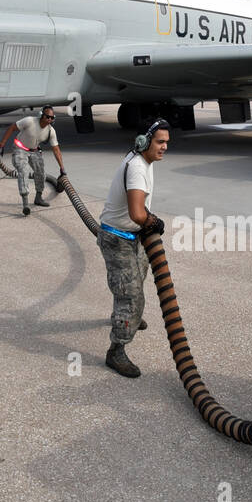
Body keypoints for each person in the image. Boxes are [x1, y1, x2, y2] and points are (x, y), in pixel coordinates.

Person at [97, 119, 169, 377]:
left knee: (135, 279)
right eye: (160, 142)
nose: (164, 147)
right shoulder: (137, 167)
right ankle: (116, 351)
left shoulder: (144, 161)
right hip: (117, 238)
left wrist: (146, 222)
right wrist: (154, 222)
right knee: (131, 294)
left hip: (132, 236)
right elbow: (138, 213)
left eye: (166, 143)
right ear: (145, 142)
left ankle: (127, 316)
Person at [0, 106, 64, 215]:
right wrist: (1, 145)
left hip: (34, 151)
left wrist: (62, 168)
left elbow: (56, 149)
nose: (49, 119)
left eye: (52, 118)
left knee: (41, 173)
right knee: (23, 171)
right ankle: (25, 204)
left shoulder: (51, 131)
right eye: (47, 116)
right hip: (20, 149)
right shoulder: (29, 121)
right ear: (41, 115)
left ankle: (38, 198)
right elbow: (12, 128)